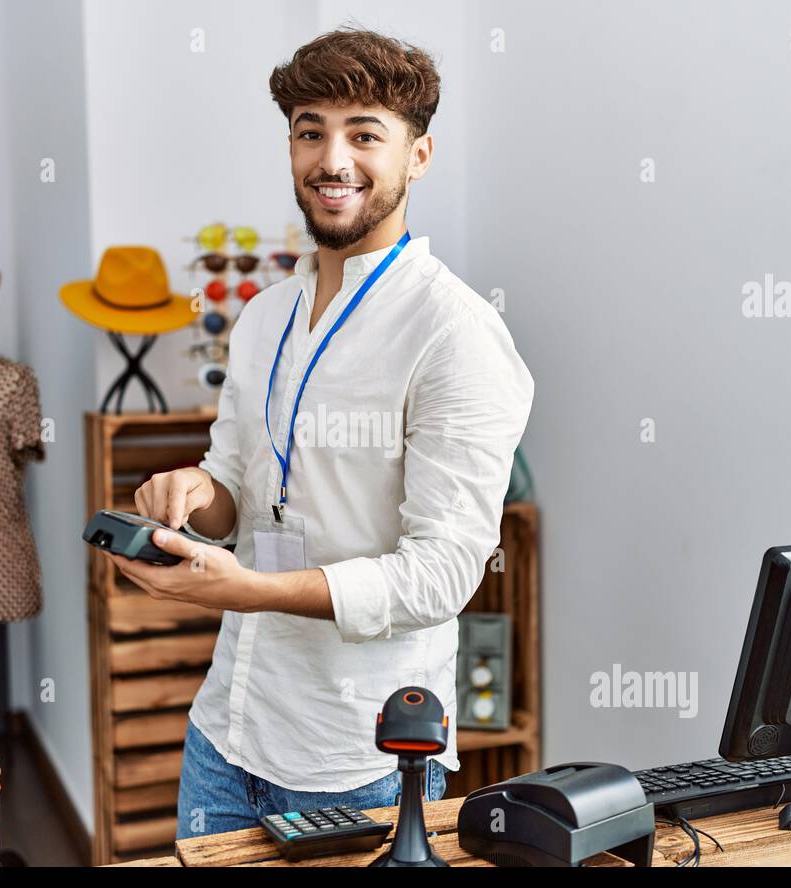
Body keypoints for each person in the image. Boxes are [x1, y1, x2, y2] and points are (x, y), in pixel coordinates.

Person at [105, 28, 534, 840]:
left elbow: (442, 574)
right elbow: (232, 485)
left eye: (365, 132)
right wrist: (195, 495)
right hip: (227, 730)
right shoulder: (264, 317)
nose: (331, 159)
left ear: (420, 155)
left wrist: (251, 590)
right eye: (310, 131)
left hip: (363, 757)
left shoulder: (457, 333)